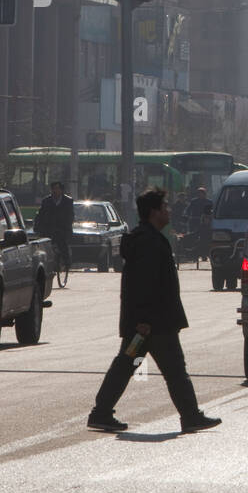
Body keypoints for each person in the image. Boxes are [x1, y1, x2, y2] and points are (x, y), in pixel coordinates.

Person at [88, 189, 221, 434]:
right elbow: (145, 285)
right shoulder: (149, 242)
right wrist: (144, 319)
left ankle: (101, 412)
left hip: (146, 323)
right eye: (165, 207)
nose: (169, 211)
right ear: (153, 212)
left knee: (127, 365)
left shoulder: (148, 239)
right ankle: (191, 416)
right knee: (174, 371)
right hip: (154, 325)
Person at [36, 181, 75, 276]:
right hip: (49, 228)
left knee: (63, 245)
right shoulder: (46, 201)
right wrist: (38, 226)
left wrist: (66, 225)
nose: (55, 191)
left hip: (63, 228)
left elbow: (70, 216)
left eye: (58, 188)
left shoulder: (68, 201)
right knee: (45, 246)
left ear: (61, 190)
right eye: (54, 189)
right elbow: (41, 214)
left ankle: (66, 263)